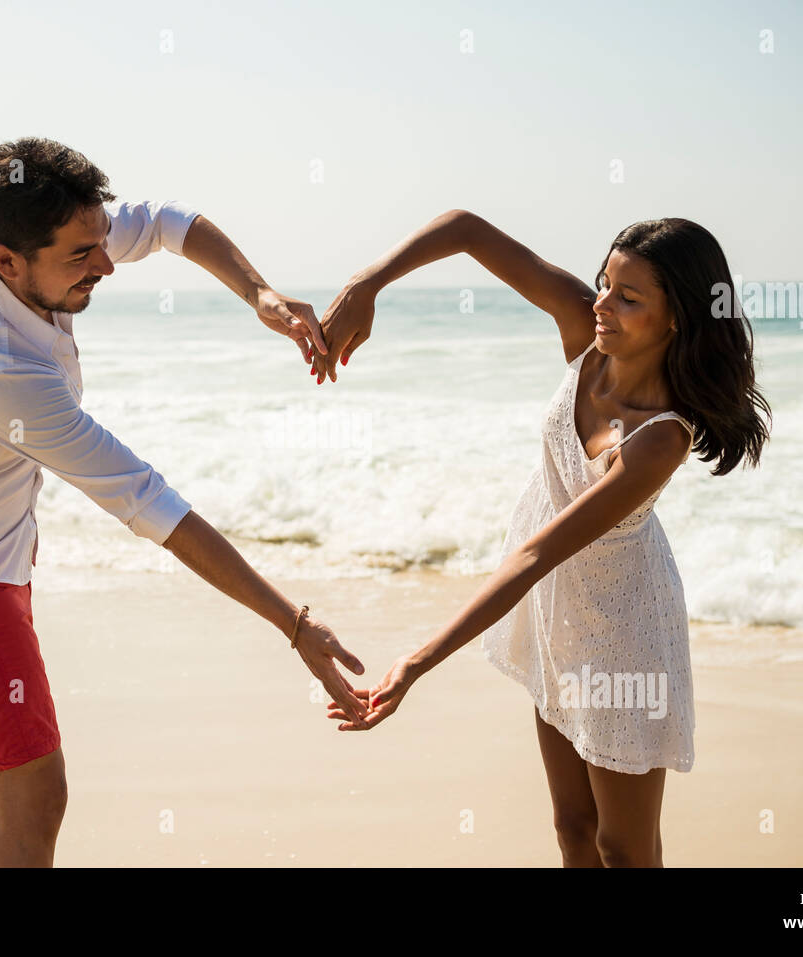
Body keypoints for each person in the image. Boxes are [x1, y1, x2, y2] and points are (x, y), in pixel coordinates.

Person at [0, 137, 369, 868]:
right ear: (7, 261)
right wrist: (292, 623)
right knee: (33, 799)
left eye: (100, 241)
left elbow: (168, 222)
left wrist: (258, 292)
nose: (105, 264)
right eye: (81, 257)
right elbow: (151, 503)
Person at [320, 210, 771, 866]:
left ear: (676, 317)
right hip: (559, 615)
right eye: (603, 284)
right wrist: (371, 281)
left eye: (627, 296)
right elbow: (468, 230)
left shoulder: (659, 439)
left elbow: (532, 555)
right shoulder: (584, 332)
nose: (602, 305)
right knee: (571, 824)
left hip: (625, 639)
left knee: (626, 847)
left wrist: (416, 663)